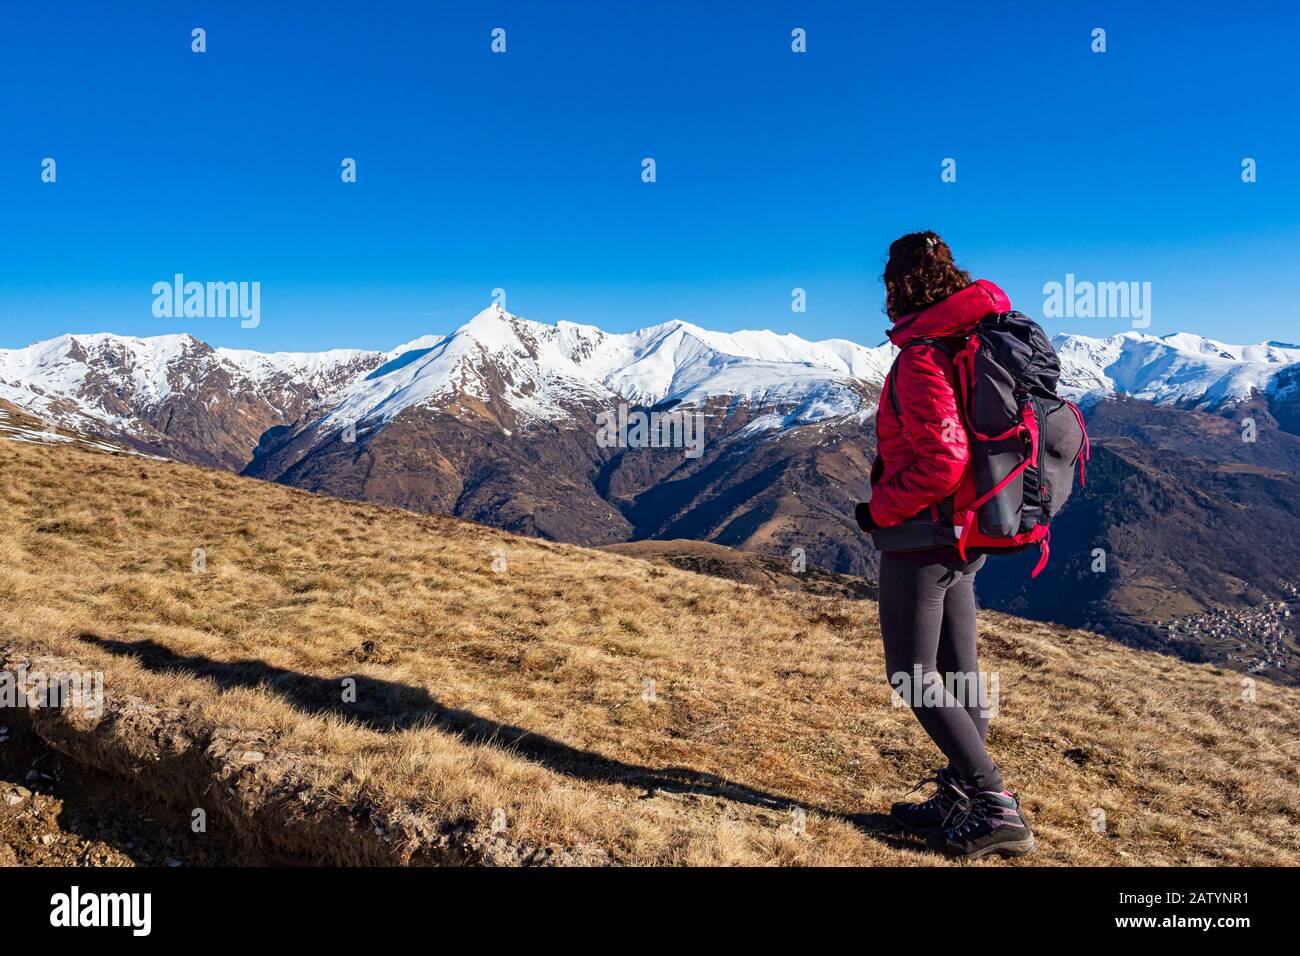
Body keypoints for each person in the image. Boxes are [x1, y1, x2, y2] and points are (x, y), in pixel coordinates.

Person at [855, 231, 1036, 859]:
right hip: (971, 530)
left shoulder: (922, 357)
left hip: (924, 537)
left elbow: (942, 459)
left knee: (911, 674)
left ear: (897, 288)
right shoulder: (975, 343)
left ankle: (993, 805)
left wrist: (879, 511)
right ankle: (962, 795)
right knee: (960, 674)